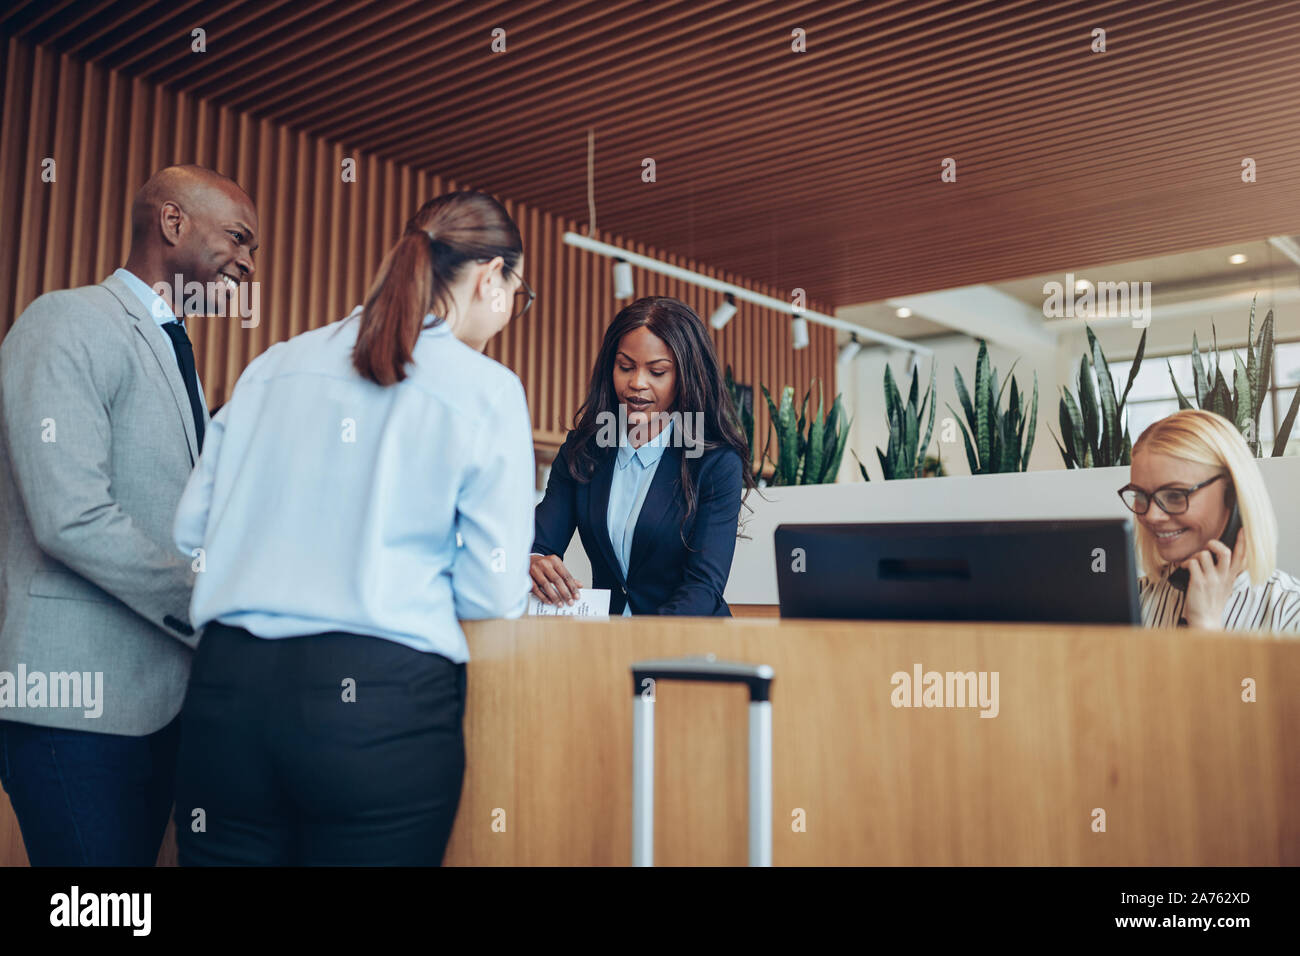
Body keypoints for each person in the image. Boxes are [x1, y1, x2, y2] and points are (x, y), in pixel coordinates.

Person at [170, 190, 535, 865]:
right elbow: (491, 592)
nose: (513, 308)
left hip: (228, 697)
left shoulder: (274, 364)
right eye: (519, 290)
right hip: (378, 708)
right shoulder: (485, 389)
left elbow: (192, 527)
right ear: (490, 277)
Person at [0, 164, 257, 865]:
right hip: (70, 703)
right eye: (239, 238)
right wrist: (211, 598)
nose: (248, 263)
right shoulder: (65, 320)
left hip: (160, 705)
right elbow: (69, 516)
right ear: (172, 223)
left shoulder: (180, 353)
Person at [531, 296, 751, 616]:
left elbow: (703, 587)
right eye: (625, 366)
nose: (636, 383)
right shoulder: (583, 450)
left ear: (685, 377)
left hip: (687, 644)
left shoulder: (715, 463)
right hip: (608, 646)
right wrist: (534, 562)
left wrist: (638, 646)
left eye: (657, 371)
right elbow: (541, 542)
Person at [1118, 408, 1300, 632]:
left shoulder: (1290, 612)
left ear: (1233, 496)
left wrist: (1205, 626)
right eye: (1140, 496)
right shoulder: (1129, 603)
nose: (1151, 516)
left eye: (1175, 495)